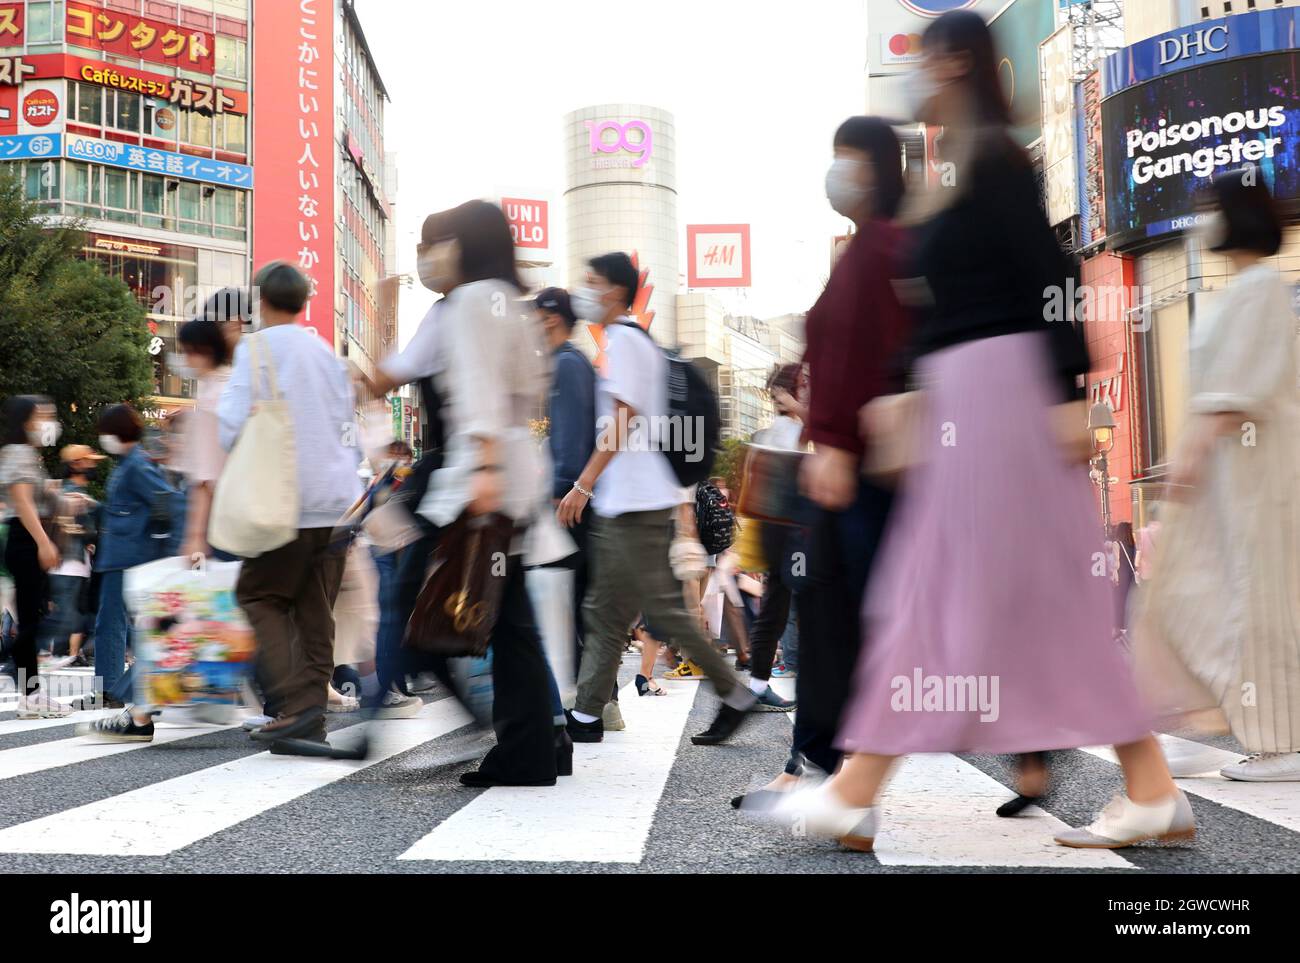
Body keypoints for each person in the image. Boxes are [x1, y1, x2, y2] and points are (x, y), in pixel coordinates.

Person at [768, 11, 1190, 851]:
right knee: (990, 590)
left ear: (956, 60)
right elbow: (944, 306)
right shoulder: (955, 166)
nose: (916, 75)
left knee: (948, 590)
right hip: (969, 395)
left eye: (925, 59)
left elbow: (1046, 270)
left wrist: (1069, 391)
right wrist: (902, 388)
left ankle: (856, 787)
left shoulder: (992, 159)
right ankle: (1148, 786)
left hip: (1002, 392)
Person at [732, 116, 912, 810]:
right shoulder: (864, 249)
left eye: (846, 159)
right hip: (839, 468)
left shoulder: (889, 248)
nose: (836, 173)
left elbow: (871, 362)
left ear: (873, 168)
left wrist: (831, 436)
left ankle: (837, 777)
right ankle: (817, 769)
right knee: (828, 617)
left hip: (863, 470)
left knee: (866, 623)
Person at [371, 201, 559, 786]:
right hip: (516, 473)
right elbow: (531, 389)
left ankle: (524, 748)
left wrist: (482, 471)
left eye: (442, 240)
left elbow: (476, 391)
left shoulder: (473, 302)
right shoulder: (513, 302)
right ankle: (536, 745)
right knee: (512, 620)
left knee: (437, 605)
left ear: (465, 245)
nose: (433, 254)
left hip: (481, 476)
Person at [1131, 170, 1300, 782]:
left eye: (1210, 209)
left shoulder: (1259, 290)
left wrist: (1190, 456)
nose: (1203, 221)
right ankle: (1198, 720)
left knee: (1249, 602)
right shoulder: (1244, 292)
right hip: (1227, 480)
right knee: (1190, 596)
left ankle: (1282, 744)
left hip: (1250, 479)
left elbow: (1235, 393)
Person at [558, 252, 756, 745]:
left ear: (615, 292)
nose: (585, 291)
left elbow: (623, 419)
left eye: (592, 283)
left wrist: (583, 484)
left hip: (637, 504)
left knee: (662, 611)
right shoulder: (630, 342)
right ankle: (586, 716)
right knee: (604, 612)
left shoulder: (624, 342)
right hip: (628, 502)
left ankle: (735, 693)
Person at [217, 262, 362, 753]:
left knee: (259, 596)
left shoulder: (256, 350)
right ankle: (310, 715)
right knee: (315, 608)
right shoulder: (325, 351)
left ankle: (292, 706)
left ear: (260, 300)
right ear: (303, 302)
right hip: (338, 501)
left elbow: (230, 427)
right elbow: (350, 428)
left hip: (286, 501)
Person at [88, 404, 176, 716]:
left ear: (116, 432)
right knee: (129, 626)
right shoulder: (128, 463)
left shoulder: (136, 465)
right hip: (124, 556)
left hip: (131, 557)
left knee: (114, 624)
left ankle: (111, 690)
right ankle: (132, 689)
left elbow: (165, 501)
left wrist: (169, 549)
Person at [536, 287, 596, 679]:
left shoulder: (567, 364)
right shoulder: (569, 363)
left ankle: (584, 699)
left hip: (569, 502)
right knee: (573, 601)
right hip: (573, 496)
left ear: (551, 318)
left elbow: (572, 436)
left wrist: (562, 488)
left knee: (568, 600)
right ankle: (592, 699)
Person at [0, 395, 69, 717]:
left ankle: (31, 694)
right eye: (44, 415)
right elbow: (23, 501)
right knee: (33, 620)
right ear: (27, 420)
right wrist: (43, 542)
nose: (49, 422)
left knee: (34, 616)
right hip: (26, 538)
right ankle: (30, 694)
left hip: (27, 536)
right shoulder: (18, 452)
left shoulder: (27, 454)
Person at [42, 444, 103, 666]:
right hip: (66, 565)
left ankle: (62, 655)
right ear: (76, 464)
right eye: (89, 460)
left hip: (78, 566)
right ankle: (35, 648)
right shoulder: (70, 493)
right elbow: (75, 529)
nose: (93, 465)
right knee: (68, 617)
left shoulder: (82, 494)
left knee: (75, 616)